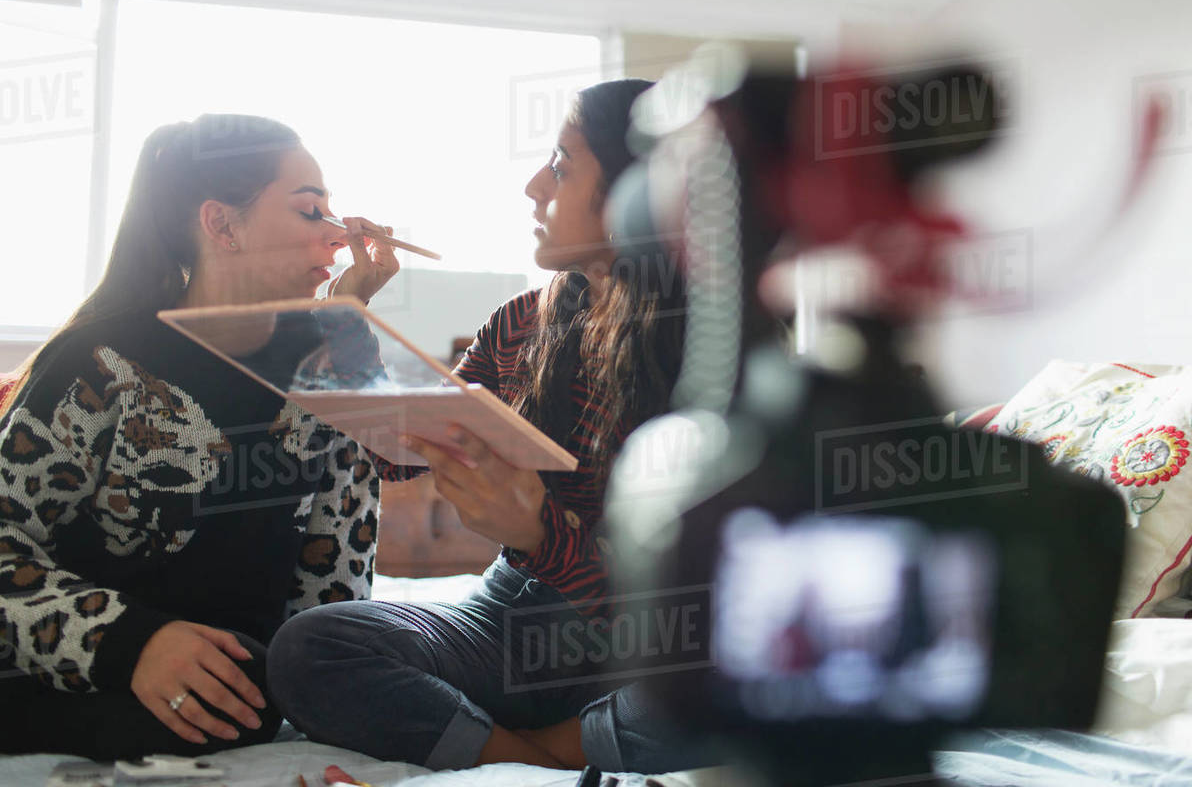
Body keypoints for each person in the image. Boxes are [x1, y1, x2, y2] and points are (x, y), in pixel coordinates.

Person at [267, 79, 692, 770]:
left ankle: (519, 754)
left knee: (753, 677)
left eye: (559, 165)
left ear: (634, 191)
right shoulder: (522, 322)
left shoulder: (711, 347)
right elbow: (401, 455)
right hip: (508, 618)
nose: (533, 187)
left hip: (648, 637)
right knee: (310, 647)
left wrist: (537, 531)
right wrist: (349, 321)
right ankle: (533, 756)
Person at [0, 114, 402, 759]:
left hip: (240, 693)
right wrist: (133, 643)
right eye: (310, 212)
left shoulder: (328, 353)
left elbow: (338, 563)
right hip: (77, 672)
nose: (337, 238)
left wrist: (321, 675)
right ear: (222, 224)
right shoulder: (104, 362)